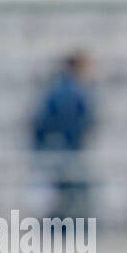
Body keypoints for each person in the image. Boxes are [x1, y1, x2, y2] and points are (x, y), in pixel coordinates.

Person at [31, 50, 97, 224]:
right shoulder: (73, 93)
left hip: (53, 152)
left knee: (58, 199)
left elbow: (38, 124)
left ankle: (55, 236)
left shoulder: (54, 91)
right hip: (66, 153)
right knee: (71, 198)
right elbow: (79, 124)